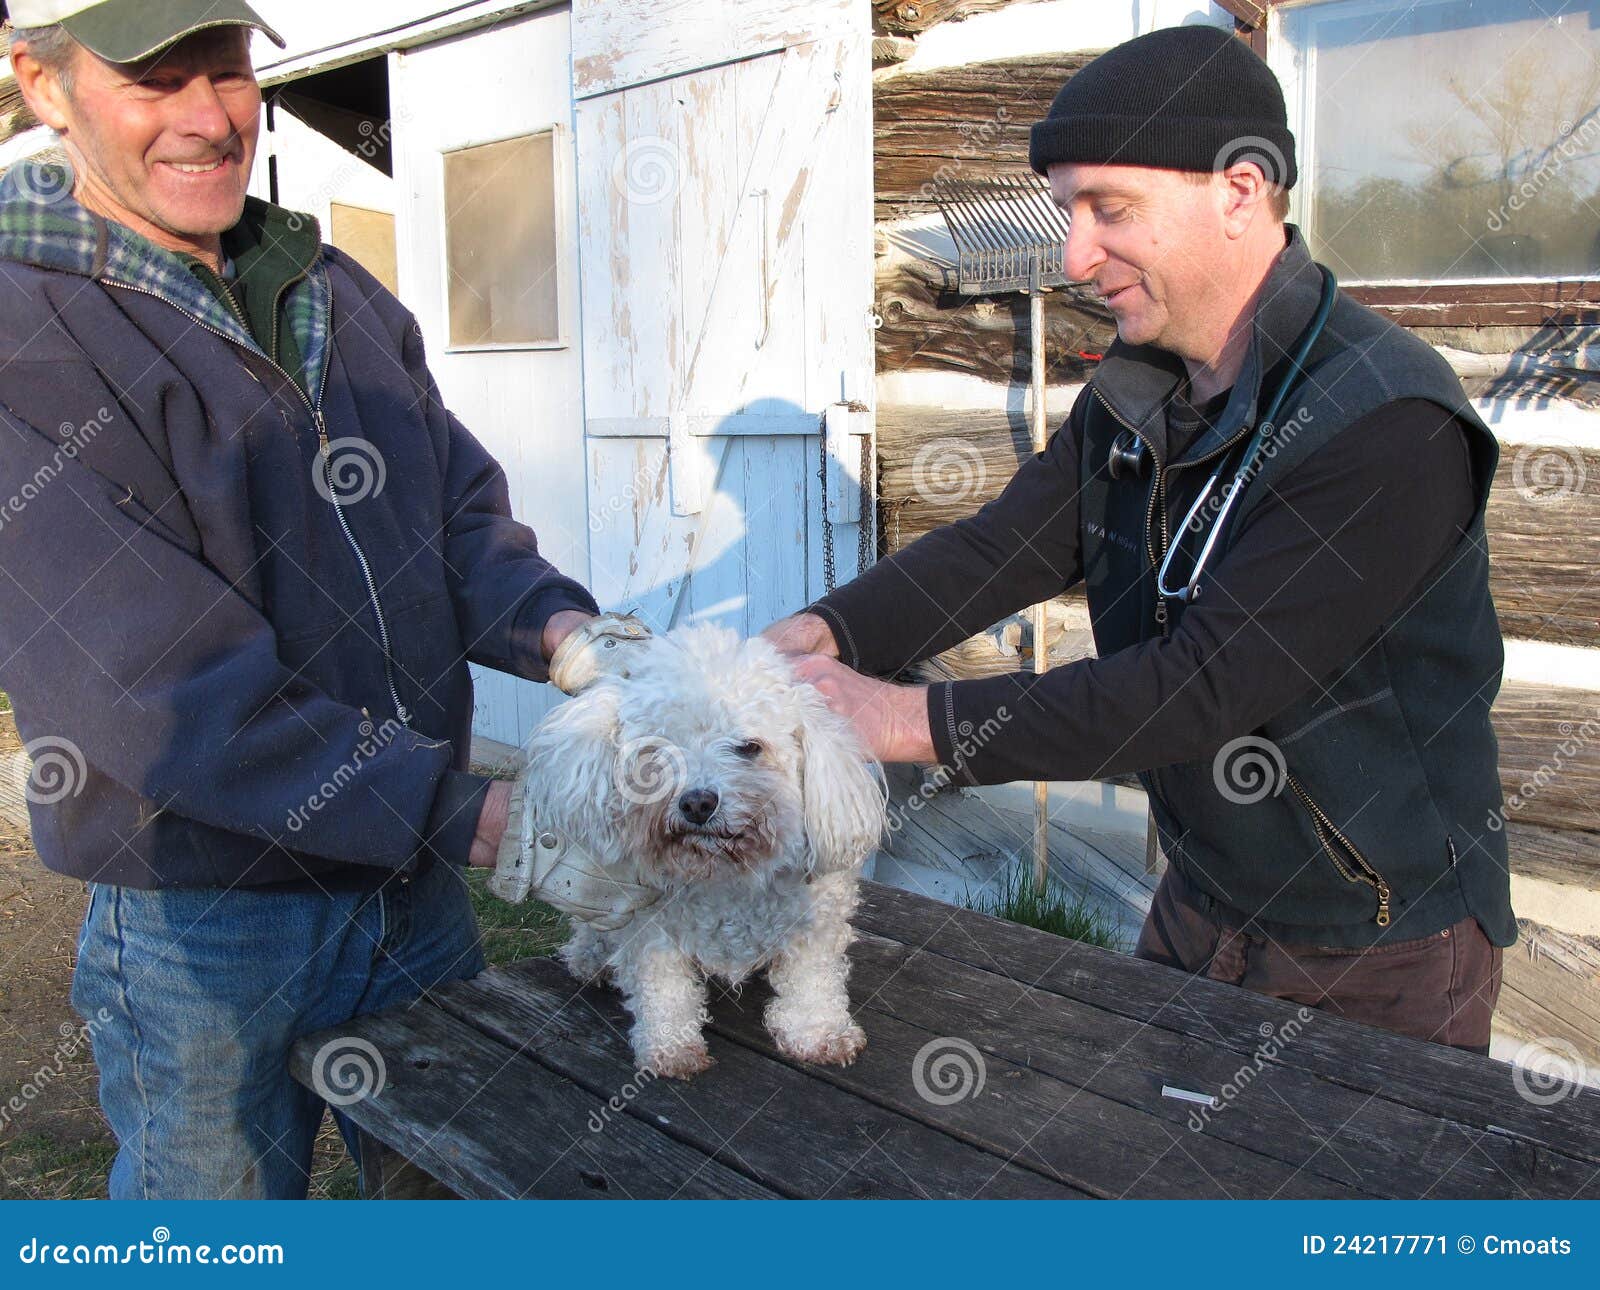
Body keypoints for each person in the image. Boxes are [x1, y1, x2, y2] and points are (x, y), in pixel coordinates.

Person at [0, 0, 650, 1198]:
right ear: (43, 84)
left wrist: (578, 641)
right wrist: (486, 819)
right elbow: (152, 691)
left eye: (227, 69)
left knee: (467, 1203)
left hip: (411, 896)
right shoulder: (25, 331)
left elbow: (454, 521)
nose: (209, 118)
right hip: (211, 917)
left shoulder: (334, 289)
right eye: (155, 80)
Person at [768, 25, 1512, 1053]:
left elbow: (1201, 687)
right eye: (1067, 211)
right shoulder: (1137, 389)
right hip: (1199, 897)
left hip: (1374, 941)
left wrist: (894, 718)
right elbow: (1002, 548)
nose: (1075, 258)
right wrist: (820, 634)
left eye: (1109, 210)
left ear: (1240, 191)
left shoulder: (1385, 420)